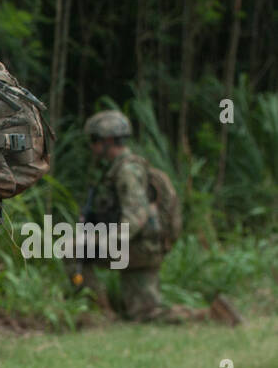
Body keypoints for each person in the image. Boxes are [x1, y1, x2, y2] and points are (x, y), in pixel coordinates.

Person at [80, 109, 240, 325]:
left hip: (138, 247)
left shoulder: (126, 171)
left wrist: (103, 241)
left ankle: (100, 315)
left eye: (94, 140)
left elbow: (136, 216)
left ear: (108, 140)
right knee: (146, 314)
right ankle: (212, 315)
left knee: (72, 250)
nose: (92, 146)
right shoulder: (130, 167)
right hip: (149, 246)